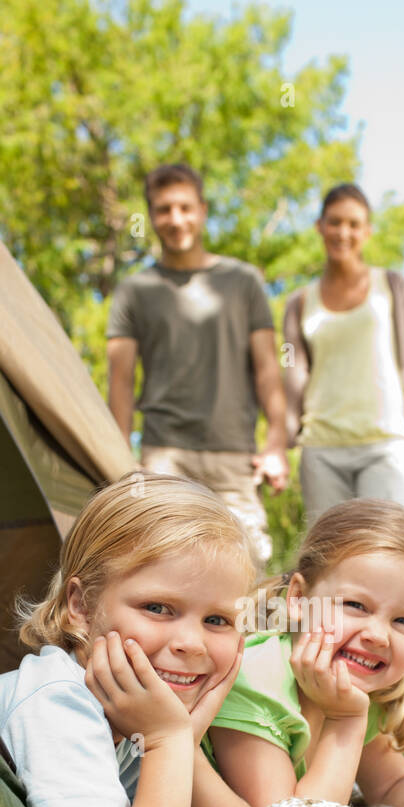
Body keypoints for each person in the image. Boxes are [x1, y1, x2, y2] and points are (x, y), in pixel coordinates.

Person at [0, 473, 269, 807]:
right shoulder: (57, 701)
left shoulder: (145, 715)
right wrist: (167, 740)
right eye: (157, 608)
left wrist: (183, 743)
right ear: (82, 606)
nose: (191, 642)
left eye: (217, 619)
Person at [204, 500, 404, 807]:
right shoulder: (253, 679)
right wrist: (346, 720)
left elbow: (391, 783)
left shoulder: (361, 686)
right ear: (299, 599)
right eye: (355, 606)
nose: (377, 635)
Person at [106, 163, 289, 567]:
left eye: (185, 208)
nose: (176, 220)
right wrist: (121, 461)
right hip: (163, 456)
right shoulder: (135, 291)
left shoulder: (243, 282)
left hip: (235, 457)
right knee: (164, 574)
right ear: (151, 216)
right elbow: (120, 380)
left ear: (203, 210)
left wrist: (276, 442)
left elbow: (267, 369)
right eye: (164, 209)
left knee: (246, 577)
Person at [283, 183, 404, 522]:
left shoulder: (395, 289)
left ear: (367, 231)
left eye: (354, 224)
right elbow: (293, 374)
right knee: (327, 559)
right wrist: (278, 446)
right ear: (319, 227)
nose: (343, 232)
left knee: (384, 549)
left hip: (385, 446)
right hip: (321, 448)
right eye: (335, 222)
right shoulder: (298, 303)